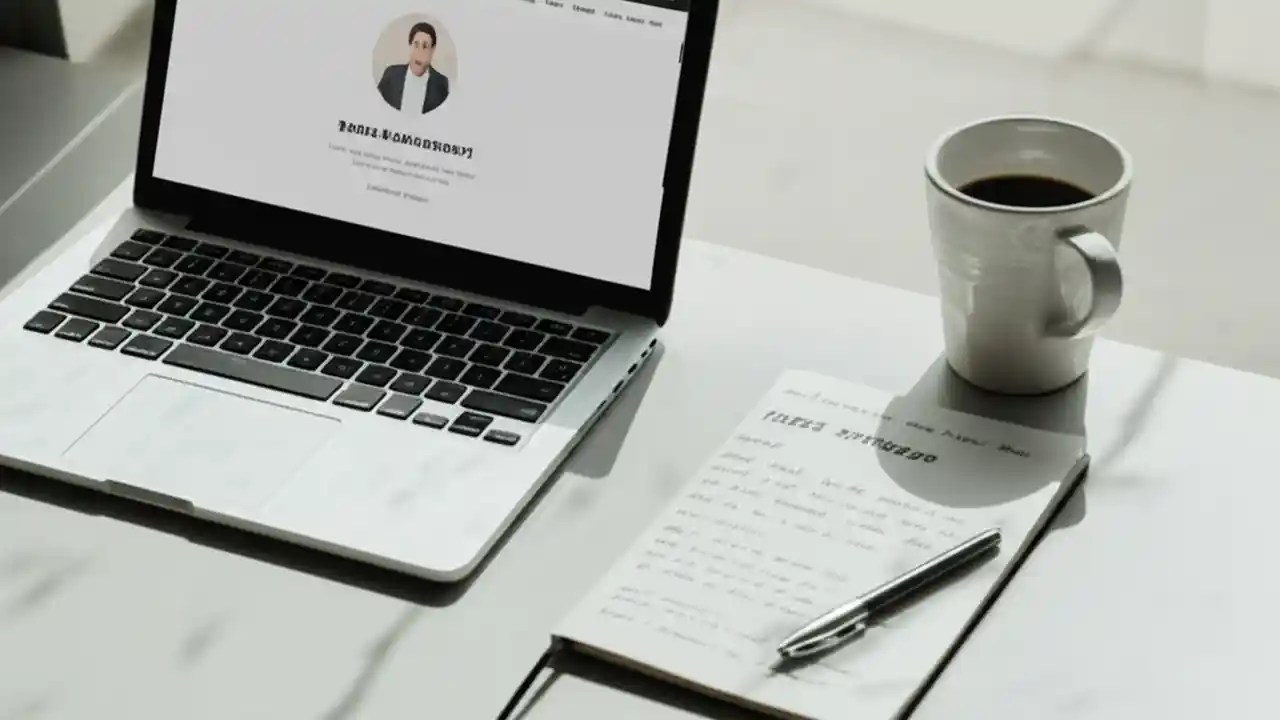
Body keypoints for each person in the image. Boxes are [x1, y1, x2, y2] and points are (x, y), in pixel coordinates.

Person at [378, 21, 450, 114]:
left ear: (432, 50)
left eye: (425, 46)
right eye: (416, 45)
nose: (419, 53)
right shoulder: (391, 75)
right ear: (410, 46)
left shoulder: (441, 84)